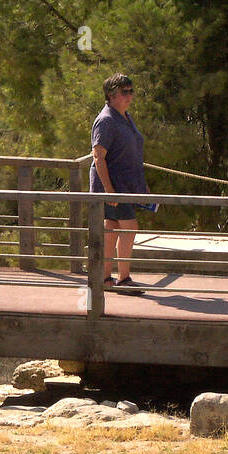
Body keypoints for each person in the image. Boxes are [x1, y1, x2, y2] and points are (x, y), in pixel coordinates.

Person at [90, 73, 149, 294]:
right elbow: (98, 157)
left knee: (112, 228)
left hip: (125, 185)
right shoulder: (106, 120)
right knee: (129, 227)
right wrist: (109, 191)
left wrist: (141, 184)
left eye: (131, 91)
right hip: (112, 186)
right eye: (125, 92)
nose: (130, 96)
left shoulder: (124, 116)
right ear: (111, 95)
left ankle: (105, 278)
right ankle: (124, 279)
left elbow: (131, 152)